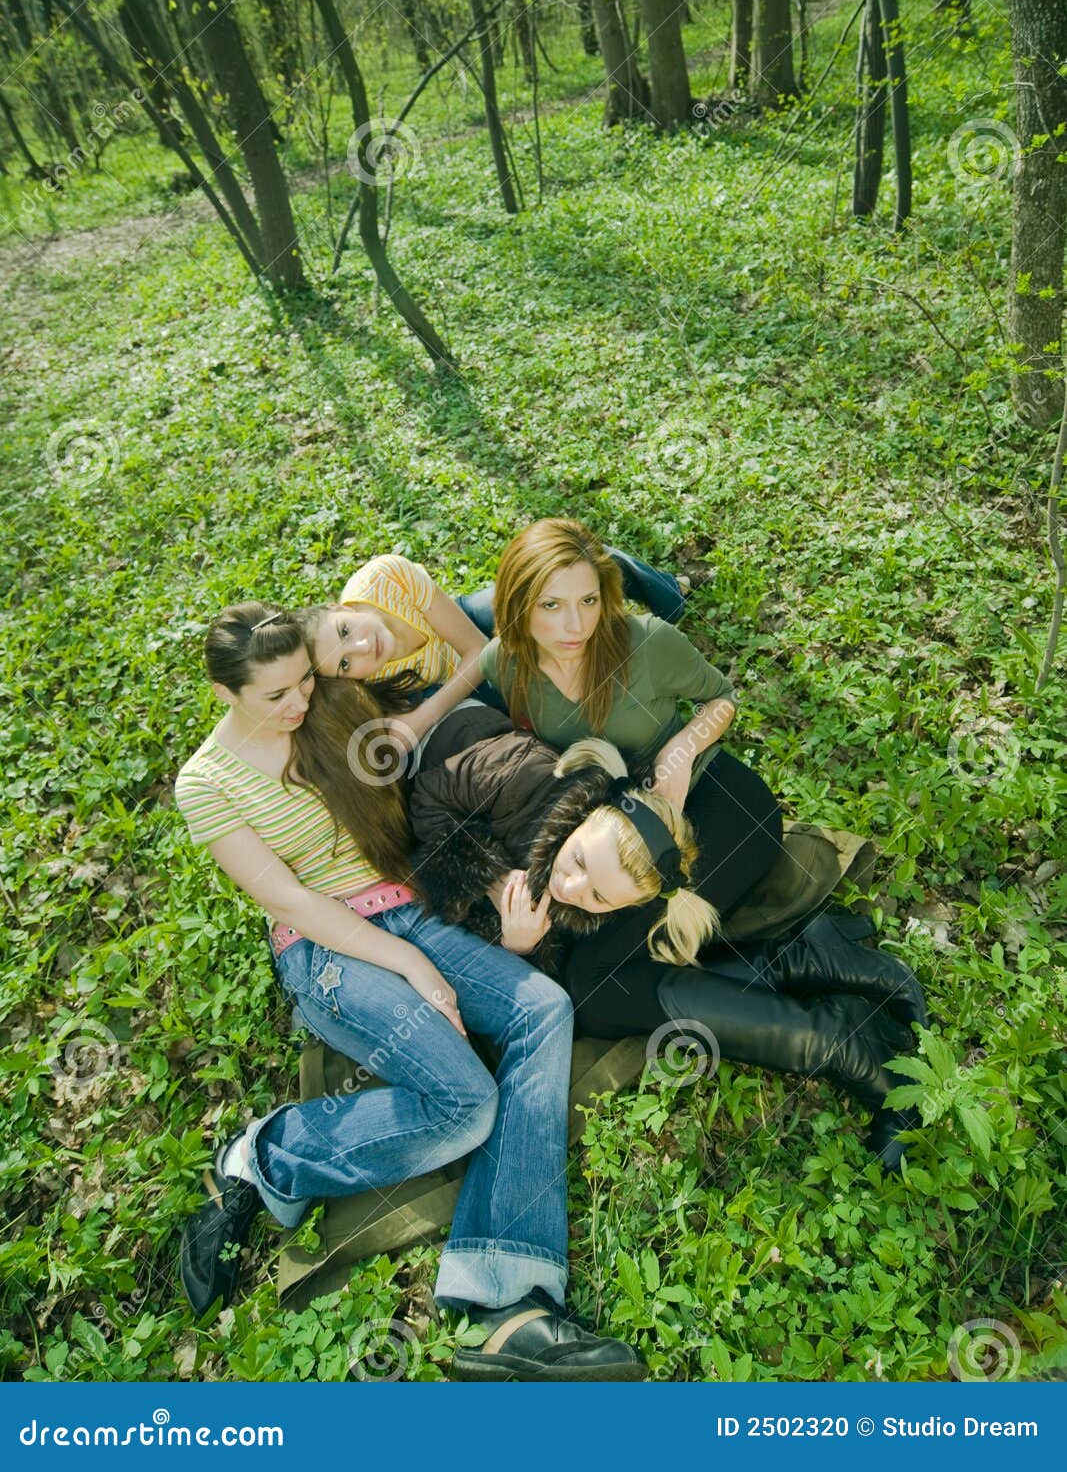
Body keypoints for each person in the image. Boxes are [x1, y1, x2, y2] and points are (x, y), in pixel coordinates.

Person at [173, 602, 645, 1381]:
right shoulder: (206, 783)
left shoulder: (324, 707)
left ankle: (507, 1302)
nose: (298, 703)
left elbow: (423, 628)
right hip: (326, 948)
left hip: (408, 907)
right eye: (276, 695)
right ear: (226, 694)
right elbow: (291, 902)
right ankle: (268, 1158)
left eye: (303, 682)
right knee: (463, 1106)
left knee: (542, 1008)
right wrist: (410, 966)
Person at [400, 700, 926, 1172]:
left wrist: (491, 882)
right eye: (579, 872)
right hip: (641, 858)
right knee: (589, 990)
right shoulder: (571, 863)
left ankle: (833, 1037)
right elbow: (544, 952)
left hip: (719, 812)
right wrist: (516, 936)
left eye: (588, 883)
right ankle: (811, 976)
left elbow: (429, 813)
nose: (569, 887)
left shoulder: (520, 775)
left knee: (594, 989)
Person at [480, 518, 784, 934]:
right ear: (518, 604)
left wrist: (680, 752)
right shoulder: (504, 663)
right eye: (551, 605)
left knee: (649, 944)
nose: (576, 625)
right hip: (608, 839)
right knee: (585, 950)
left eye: (588, 601)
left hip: (705, 793)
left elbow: (722, 698)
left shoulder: (648, 643)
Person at [297, 546, 689, 754]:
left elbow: (476, 648)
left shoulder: (384, 578)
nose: (363, 648)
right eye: (345, 663)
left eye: (345, 631)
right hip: (455, 686)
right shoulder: (364, 685)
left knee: (547, 584)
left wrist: (420, 721)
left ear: (337, 607)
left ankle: (662, 588)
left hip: (464, 629)